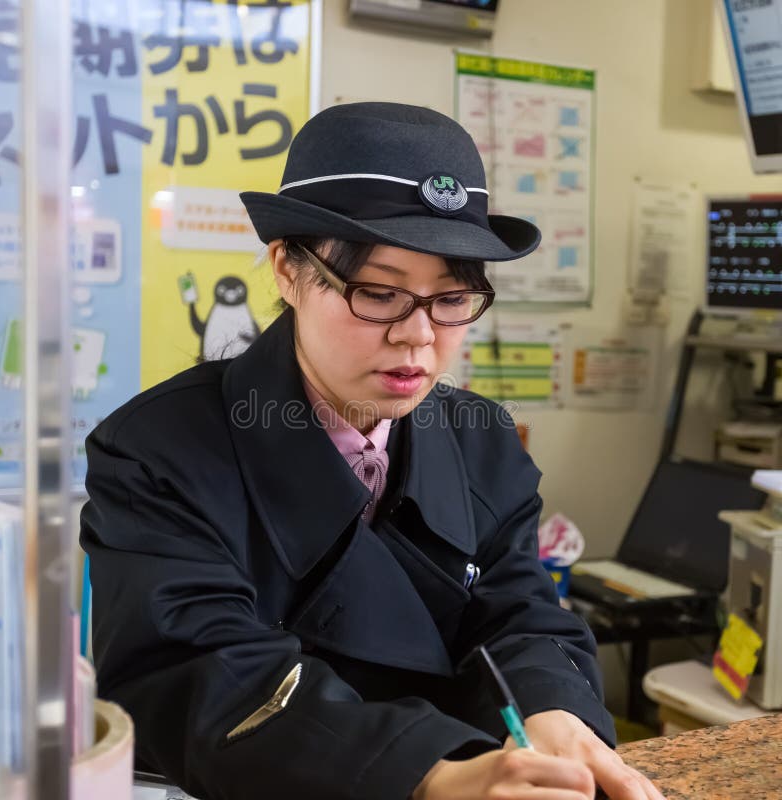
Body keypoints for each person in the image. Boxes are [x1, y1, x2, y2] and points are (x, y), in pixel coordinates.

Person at [80, 103, 664, 800]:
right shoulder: (156, 450)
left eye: (452, 298)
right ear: (288, 272)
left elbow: (520, 612)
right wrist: (424, 774)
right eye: (379, 293)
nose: (418, 337)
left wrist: (552, 708)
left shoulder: (482, 438)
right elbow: (196, 670)